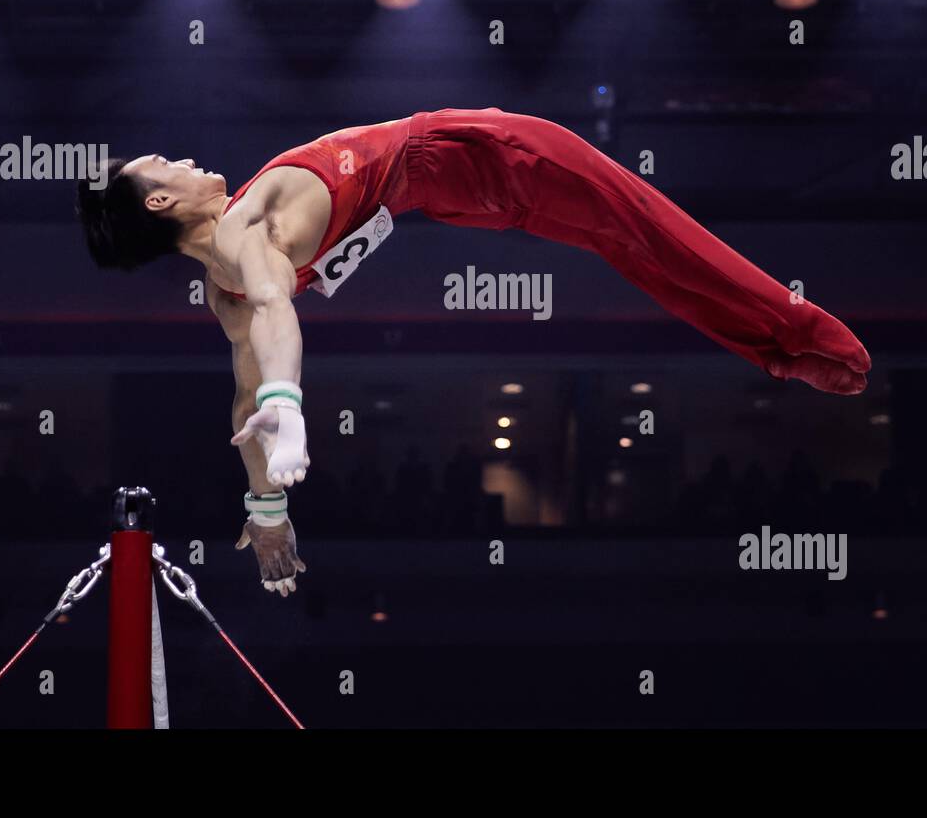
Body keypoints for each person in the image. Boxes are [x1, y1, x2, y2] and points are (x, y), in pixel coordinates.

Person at [76, 107, 871, 594]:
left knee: (641, 236)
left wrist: (284, 419)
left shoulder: (246, 253)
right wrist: (268, 505)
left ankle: (796, 339)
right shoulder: (242, 253)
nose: (184, 159)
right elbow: (249, 393)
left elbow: (276, 334)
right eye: (166, 164)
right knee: (635, 242)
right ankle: (787, 344)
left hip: (483, 155)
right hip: (481, 184)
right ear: (161, 202)